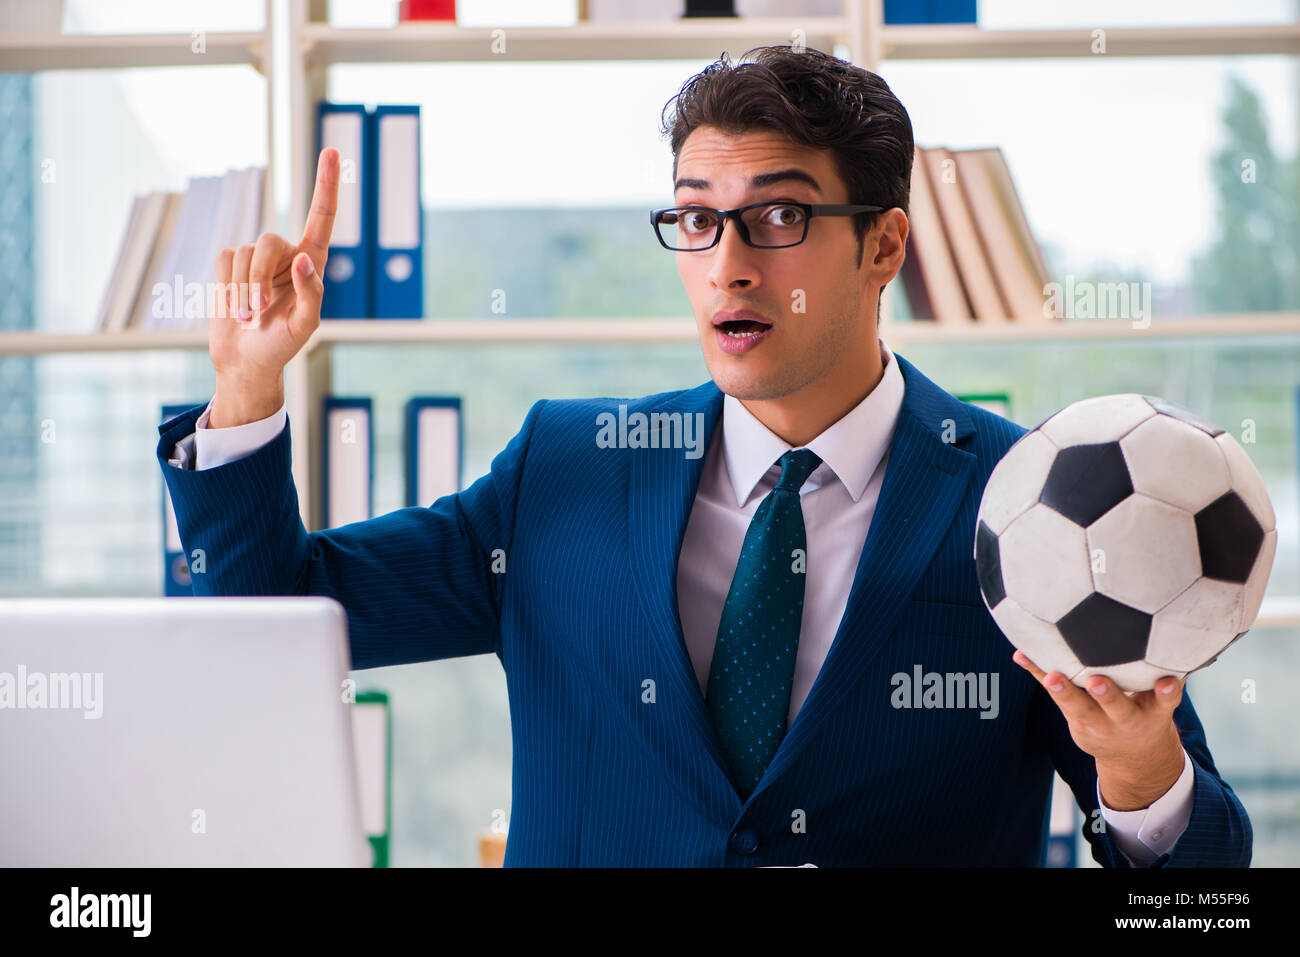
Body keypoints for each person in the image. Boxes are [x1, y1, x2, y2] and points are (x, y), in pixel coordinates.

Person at [157, 45, 1251, 867]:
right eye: (694, 219)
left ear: (882, 247)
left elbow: (1199, 887)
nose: (727, 265)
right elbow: (266, 616)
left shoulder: (1032, 503)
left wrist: (1142, 774)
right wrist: (248, 388)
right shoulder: (566, 470)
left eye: (776, 217)